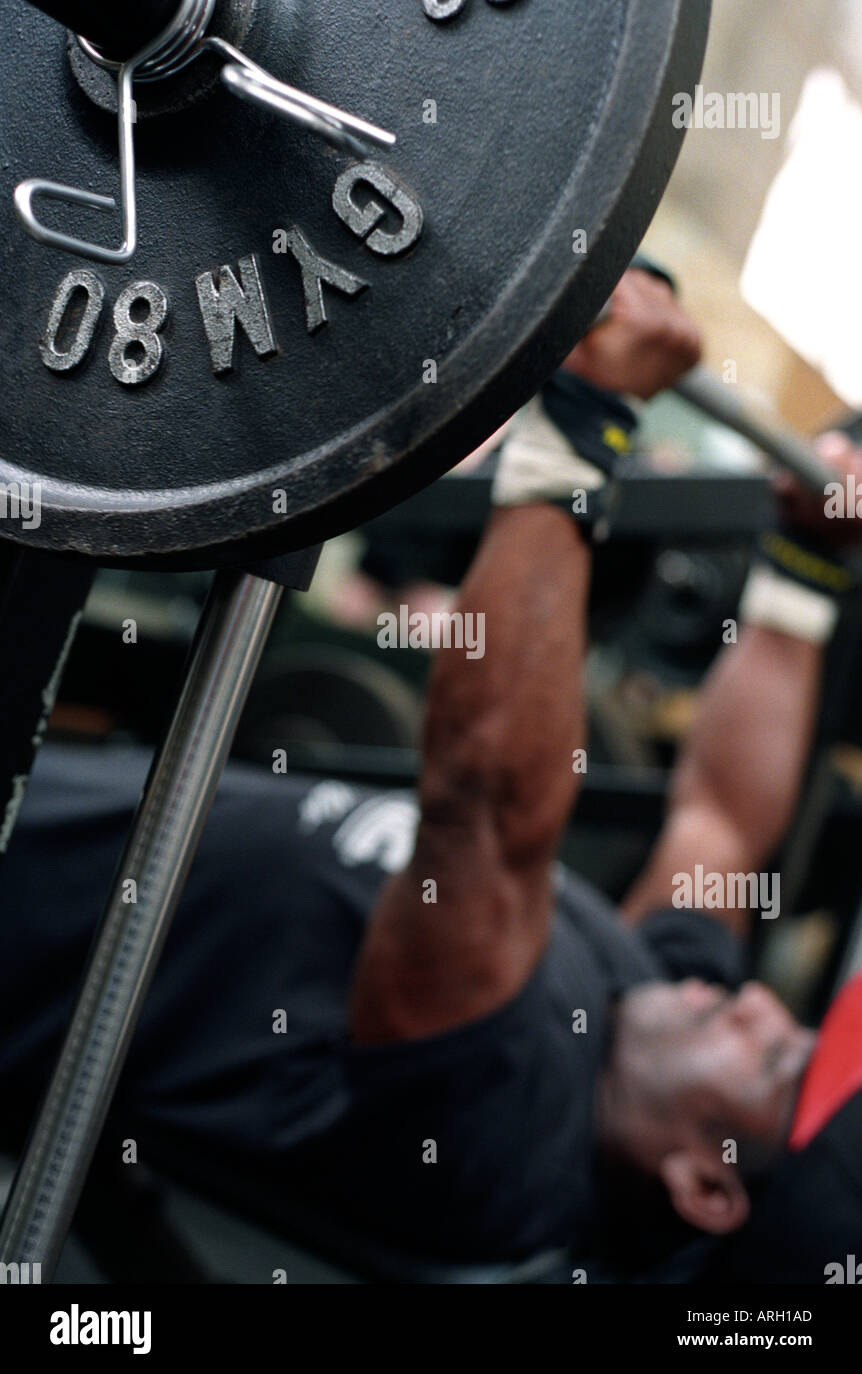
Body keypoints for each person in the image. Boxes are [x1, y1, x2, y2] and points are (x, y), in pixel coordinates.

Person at [0, 267, 860, 1281]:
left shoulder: (506, 1148)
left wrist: (580, 428)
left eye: (773, 1061)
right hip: (64, 797)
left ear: (702, 1184)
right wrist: (806, 570)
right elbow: (719, 822)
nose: (763, 1007)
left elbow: (485, 807)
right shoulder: (662, 1009)